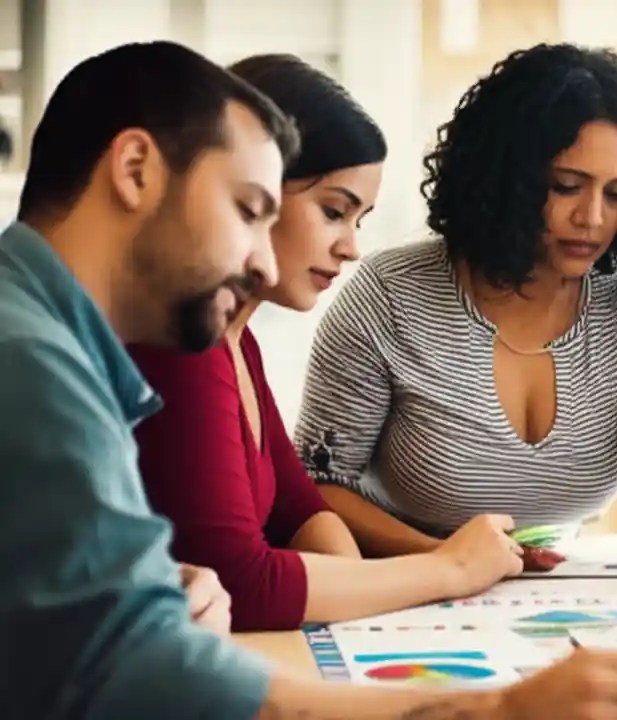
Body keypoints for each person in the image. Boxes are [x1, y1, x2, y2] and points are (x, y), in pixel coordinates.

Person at [0, 40, 617, 719]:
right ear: (136, 169)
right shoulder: (36, 367)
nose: (260, 265)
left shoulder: (52, 341)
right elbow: (168, 674)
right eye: (246, 209)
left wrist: (149, 592)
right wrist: (501, 709)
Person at [292, 43, 617, 601]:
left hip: (552, 598)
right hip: (395, 590)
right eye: (566, 186)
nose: (592, 217)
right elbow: (315, 485)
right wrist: (444, 560)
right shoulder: (390, 295)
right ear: (507, 177)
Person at [128, 54, 525, 632]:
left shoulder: (239, 341)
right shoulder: (183, 345)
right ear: (254, 190)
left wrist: (352, 581)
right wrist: (448, 568)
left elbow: (298, 510)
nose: (351, 248)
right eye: (334, 211)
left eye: (359, 220)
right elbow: (243, 580)